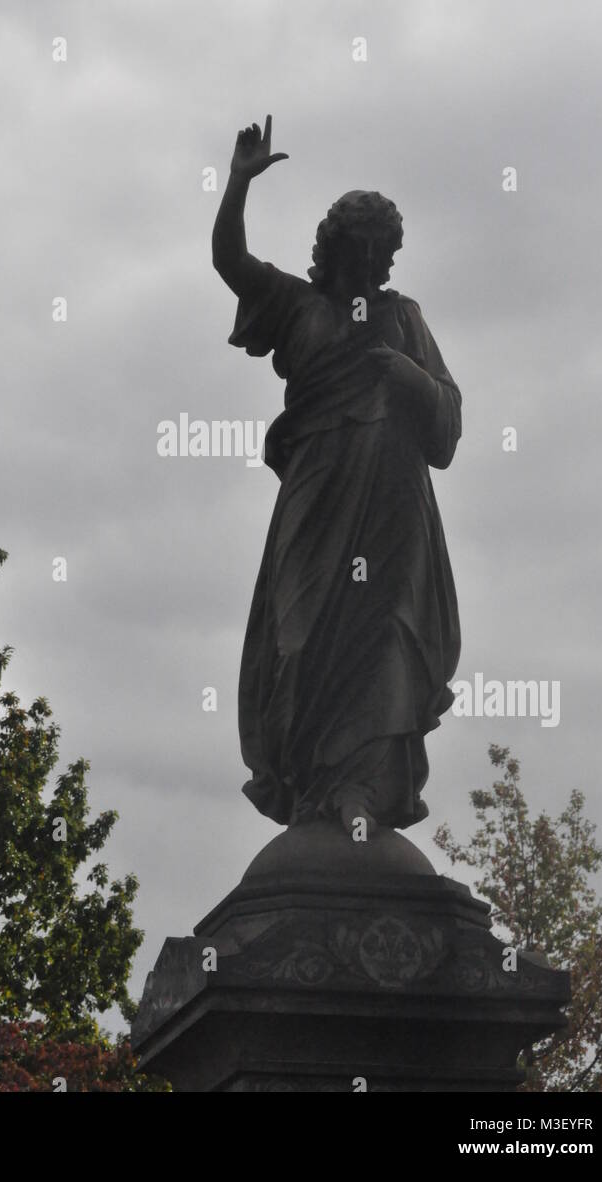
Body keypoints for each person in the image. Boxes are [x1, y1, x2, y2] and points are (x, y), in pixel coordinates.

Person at [212, 116, 461, 837]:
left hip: (390, 497)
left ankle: (364, 794)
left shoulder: (403, 318)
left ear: (384, 260)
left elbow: (445, 423)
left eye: (374, 255)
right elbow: (231, 261)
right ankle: (305, 787)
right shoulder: (295, 305)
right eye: (351, 252)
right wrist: (237, 184)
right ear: (328, 250)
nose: (363, 266)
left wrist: (407, 376)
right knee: (299, 636)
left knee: (385, 634)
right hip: (318, 487)